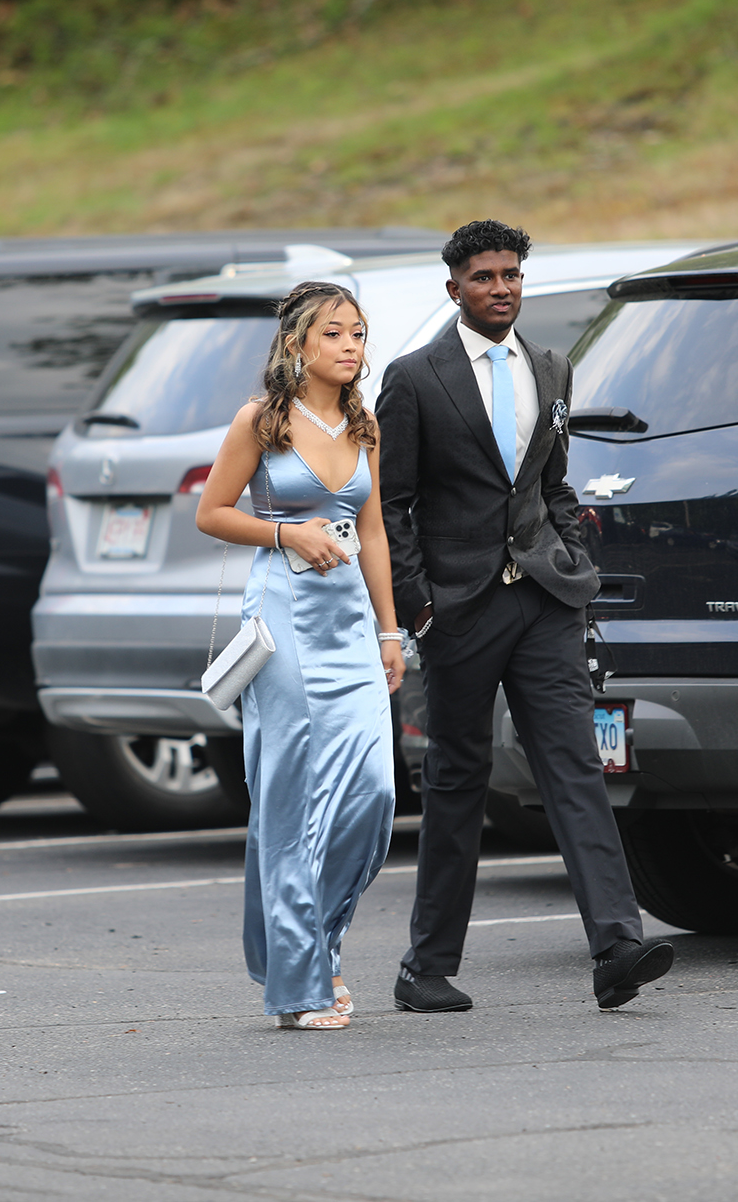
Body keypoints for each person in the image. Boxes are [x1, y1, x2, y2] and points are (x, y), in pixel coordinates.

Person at [376, 219, 676, 1013]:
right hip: (460, 608)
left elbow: (553, 486)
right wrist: (422, 609)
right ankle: (426, 965)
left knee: (576, 765)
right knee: (457, 780)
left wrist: (576, 561)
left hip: (544, 597)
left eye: (511, 274)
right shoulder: (414, 378)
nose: (500, 287)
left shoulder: (552, 368)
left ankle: (617, 945)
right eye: (483, 276)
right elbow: (393, 505)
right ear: (455, 288)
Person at [196, 280, 406, 1031]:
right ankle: (301, 979)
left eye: (358, 333)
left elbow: (374, 533)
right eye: (335, 334)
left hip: (350, 626)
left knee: (374, 793)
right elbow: (211, 512)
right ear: (297, 343)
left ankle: (319, 939)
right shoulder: (263, 420)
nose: (351, 346)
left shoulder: (364, 422)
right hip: (282, 622)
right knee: (289, 800)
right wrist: (289, 532)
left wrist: (390, 630)